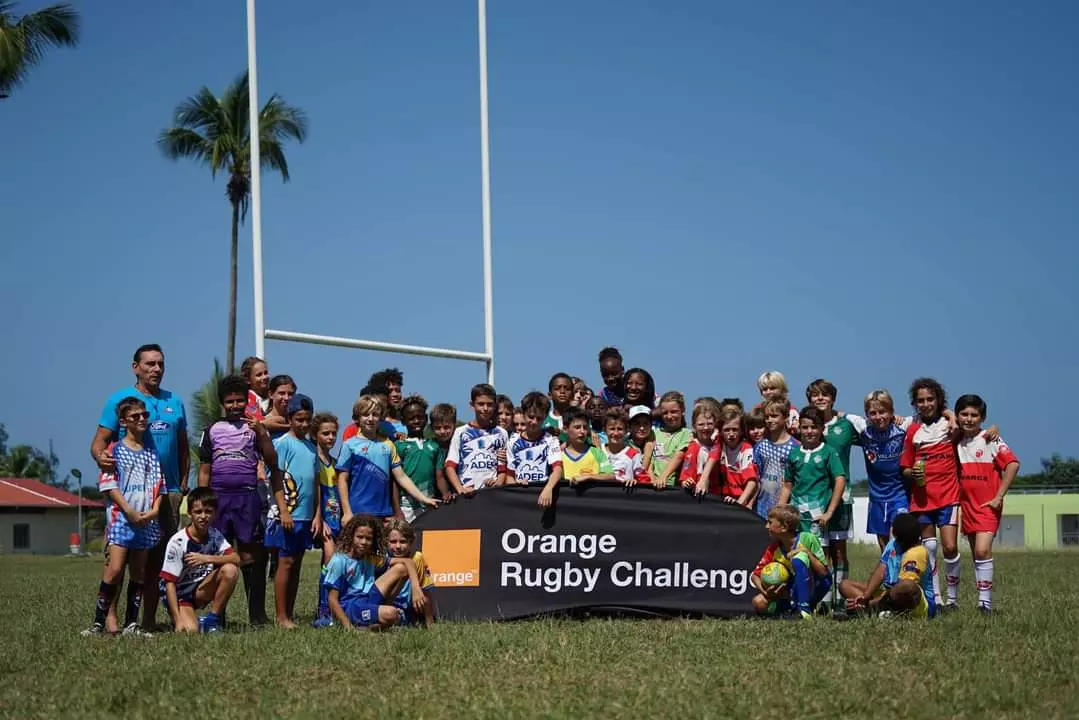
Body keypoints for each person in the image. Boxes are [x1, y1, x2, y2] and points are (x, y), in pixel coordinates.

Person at [91, 343, 188, 632]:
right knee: (118, 563)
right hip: (129, 497)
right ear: (136, 367)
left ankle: (145, 622)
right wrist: (101, 457)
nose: (156, 369)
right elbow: (99, 441)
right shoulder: (119, 400)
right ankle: (109, 620)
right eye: (149, 364)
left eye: (160, 363)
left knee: (157, 561)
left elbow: (183, 446)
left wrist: (182, 484)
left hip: (166, 494)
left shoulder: (175, 401)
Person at [197, 374, 279, 626]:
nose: (235, 405)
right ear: (222, 402)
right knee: (217, 554)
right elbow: (205, 468)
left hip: (247, 498)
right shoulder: (212, 430)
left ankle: (256, 614)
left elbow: (272, 460)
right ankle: (217, 615)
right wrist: (203, 500)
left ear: (246, 401)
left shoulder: (254, 428)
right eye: (230, 401)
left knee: (251, 555)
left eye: (239, 401)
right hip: (219, 499)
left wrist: (263, 433)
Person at [83, 397, 165, 636]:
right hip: (122, 519)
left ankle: (132, 623)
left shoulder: (151, 453)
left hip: (147, 521)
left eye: (144, 415)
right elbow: (109, 485)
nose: (141, 420)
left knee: (139, 572)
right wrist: (128, 510)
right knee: (115, 569)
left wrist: (155, 510)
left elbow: (159, 485)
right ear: (123, 421)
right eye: (135, 416)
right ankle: (98, 623)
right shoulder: (114, 451)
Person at [953, 394, 1019, 614]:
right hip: (968, 507)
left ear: (982, 418)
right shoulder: (957, 441)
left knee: (982, 550)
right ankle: (982, 602)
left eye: (974, 415)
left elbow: (1012, 464)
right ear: (957, 416)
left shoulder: (990, 439)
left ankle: (986, 605)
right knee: (976, 555)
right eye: (964, 414)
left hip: (988, 506)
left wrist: (999, 497)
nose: (969, 419)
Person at [900, 378, 960, 610]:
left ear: (938, 400)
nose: (925, 404)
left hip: (948, 496)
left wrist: (952, 415)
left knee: (950, 547)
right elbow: (904, 467)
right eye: (920, 400)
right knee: (930, 549)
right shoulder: (913, 430)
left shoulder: (950, 425)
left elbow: (974, 428)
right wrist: (912, 473)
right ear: (915, 404)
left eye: (930, 399)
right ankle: (936, 597)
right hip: (923, 499)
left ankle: (953, 599)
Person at [337, 395, 439, 524]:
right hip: (358, 511)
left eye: (375, 414)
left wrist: (423, 498)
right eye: (365, 414)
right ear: (357, 418)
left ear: (380, 418)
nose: (370, 418)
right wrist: (346, 512)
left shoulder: (388, 444)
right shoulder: (349, 445)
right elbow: (342, 480)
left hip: (384, 512)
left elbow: (401, 476)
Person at [266, 394, 322, 629]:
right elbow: (276, 480)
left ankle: (289, 612)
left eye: (307, 420)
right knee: (285, 563)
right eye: (299, 419)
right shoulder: (283, 444)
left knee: (297, 564)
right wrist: (283, 512)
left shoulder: (311, 446)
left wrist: (317, 514)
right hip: (287, 515)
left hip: (306, 516)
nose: (304, 424)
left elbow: (316, 482)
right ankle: (281, 616)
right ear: (289, 418)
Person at [159, 487, 241, 633]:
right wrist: (178, 620)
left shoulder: (214, 535)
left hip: (199, 589)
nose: (203, 516)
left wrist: (206, 558)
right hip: (179, 594)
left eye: (208, 511)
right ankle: (182, 619)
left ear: (215, 514)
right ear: (190, 513)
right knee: (190, 631)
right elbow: (169, 583)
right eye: (198, 512)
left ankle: (212, 620)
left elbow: (236, 558)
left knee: (231, 570)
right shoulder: (178, 542)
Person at [805, 379, 856, 609]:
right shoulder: (808, 425)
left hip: (842, 497)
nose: (820, 399)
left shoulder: (846, 424)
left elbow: (876, 430)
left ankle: (841, 597)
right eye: (815, 395)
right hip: (817, 499)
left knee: (839, 550)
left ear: (833, 398)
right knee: (821, 549)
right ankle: (825, 599)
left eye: (824, 395)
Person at [321, 515, 422, 630]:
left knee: (401, 568)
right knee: (392, 614)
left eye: (368, 539)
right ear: (350, 536)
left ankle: (378, 616)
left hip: (368, 599)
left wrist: (416, 588)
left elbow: (408, 562)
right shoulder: (339, 560)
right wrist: (348, 628)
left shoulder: (371, 558)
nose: (364, 542)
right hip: (350, 606)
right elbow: (332, 599)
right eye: (359, 537)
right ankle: (365, 625)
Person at [848, 390, 912, 549]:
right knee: (884, 547)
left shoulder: (903, 427)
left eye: (883, 412)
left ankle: (904, 573)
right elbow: (841, 415)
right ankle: (889, 574)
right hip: (877, 498)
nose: (878, 417)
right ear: (866, 415)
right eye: (873, 413)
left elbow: (928, 416)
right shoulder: (864, 430)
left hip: (900, 496)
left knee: (898, 540)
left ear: (892, 412)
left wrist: (950, 415)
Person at [839, 512, 935, 618]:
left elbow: (904, 587)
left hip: (916, 603)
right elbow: (880, 571)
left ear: (895, 533)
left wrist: (871, 603)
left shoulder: (917, 552)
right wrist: (865, 596)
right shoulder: (893, 544)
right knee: (845, 585)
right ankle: (876, 610)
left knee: (907, 587)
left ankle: (870, 609)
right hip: (887, 592)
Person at [778, 407, 847, 547]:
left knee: (819, 557)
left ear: (822, 429)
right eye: (805, 427)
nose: (809, 431)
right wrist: (779, 510)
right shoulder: (794, 454)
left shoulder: (828, 452)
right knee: (796, 553)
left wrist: (829, 513)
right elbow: (787, 485)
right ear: (800, 428)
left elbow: (840, 480)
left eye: (814, 427)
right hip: (796, 515)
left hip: (818, 516)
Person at [750, 505, 830, 619]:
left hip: (816, 584)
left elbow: (824, 574)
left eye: (770, 522)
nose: (766, 526)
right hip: (792, 588)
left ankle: (804, 610)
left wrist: (806, 552)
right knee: (758, 602)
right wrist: (767, 592)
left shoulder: (807, 538)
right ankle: (795, 609)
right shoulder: (774, 548)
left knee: (799, 558)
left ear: (784, 527)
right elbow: (755, 576)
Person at [444, 384, 509, 495]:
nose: (485, 408)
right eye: (481, 404)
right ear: (472, 405)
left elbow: (503, 467)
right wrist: (460, 489)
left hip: (492, 495)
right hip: (468, 495)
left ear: (495, 406)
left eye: (489, 404)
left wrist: (497, 484)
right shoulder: (460, 432)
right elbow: (450, 465)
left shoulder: (501, 433)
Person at [310, 412, 340, 626]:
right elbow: (315, 493)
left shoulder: (335, 461)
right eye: (326, 433)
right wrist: (321, 519)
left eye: (333, 434)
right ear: (315, 434)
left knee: (335, 562)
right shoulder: (313, 459)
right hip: (323, 519)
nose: (330, 438)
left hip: (338, 517)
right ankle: (324, 609)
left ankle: (334, 606)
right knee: (329, 562)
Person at [506, 392, 564, 501]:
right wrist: (515, 485)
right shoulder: (512, 442)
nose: (534, 422)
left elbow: (557, 470)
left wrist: (548, 489)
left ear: (545, 417)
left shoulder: (551, 440)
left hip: (543, 497)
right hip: (520, 497)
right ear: (523, 414)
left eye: (539, 418)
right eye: (531, 417)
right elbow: (509, 476)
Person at [697, 407, 759, 506]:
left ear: (742, 431)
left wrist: (741, 502)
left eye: (735, 430)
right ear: (721, 431)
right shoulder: (720, 443)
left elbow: (752, 481)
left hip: (740, 499)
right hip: (723, 498)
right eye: (726, 430)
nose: (731, 434)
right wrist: (703, 480)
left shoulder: (746, 449)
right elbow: (713, 457)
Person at [395, 395, 441, 523]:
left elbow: (439, 477)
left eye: (420, 417)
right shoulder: (398, 446)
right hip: (406, 507)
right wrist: (397, 510)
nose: (416, 421)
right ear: (403, 421)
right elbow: (394, 482)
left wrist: (446, 495)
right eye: (411, 418)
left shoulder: (434, 445)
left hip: (430, 504)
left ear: (426, 419)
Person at [752, 399, 799, 521]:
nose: (770, 420)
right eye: (767, 417)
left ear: (786, 417)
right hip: (761, 506)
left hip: (786, 508)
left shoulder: (796, 447)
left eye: (774, 416)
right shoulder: (760, 447)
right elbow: (756, 478)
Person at [386, 518, 436, 626]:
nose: (398, 546)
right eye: (393, 542)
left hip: (406, 609)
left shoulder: (417, 558)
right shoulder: (382, 558)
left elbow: (426, 593)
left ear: (411, 541)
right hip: (384, 606)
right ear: (386, 542)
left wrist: (430, 624)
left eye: (403, 541)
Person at [558, 408, 614, 494]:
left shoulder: (597, 452)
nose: (582, 431)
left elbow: (611, 476)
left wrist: (589, 477)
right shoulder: (558, 456)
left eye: (585, 427)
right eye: (577, 427)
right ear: (565, 429)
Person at [649, 391, 691, 489]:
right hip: (652, 484)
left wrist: (663, 477)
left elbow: (679, 456)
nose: (669, 416)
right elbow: (648, 458)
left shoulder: (686, 434)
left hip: (671, 487)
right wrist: (651, 479)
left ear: (682, 410)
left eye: (673, 412)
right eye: (665, 413)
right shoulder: (654, 433)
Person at [680, 403, 721, 495]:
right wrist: (687, 483)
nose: (705, 428)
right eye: (701, 424)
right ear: (694, 426)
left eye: (710, 424)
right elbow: (685, 477)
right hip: (700, 495)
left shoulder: (719, 444)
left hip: (718, 495)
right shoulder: (693, 447)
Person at [601, 407, 647, 487]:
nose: (616, 433)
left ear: (627, 430)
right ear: (604, 430)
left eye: (620, 429)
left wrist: (635, 481)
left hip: (624, 498)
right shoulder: (597, 451)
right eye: (612, 429)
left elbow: (644, 480)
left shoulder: (633, 454)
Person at [755, 370, 799, 435]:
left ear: (782, 389)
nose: (768, 392)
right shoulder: (757, 409)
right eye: (765, 389)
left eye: (772, 388)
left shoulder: (791, 410)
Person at [429, 403, 457, 498]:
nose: (442, 431)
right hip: (437, 495)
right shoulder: (431, 446)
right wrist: (446, 493)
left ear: (454, 425)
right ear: (431, 427)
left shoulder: (459, 444)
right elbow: (439, 476)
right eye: (437, 428)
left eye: (446, 427)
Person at [368, 368, 406, 437]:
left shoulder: (408, 421)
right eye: (390, 391)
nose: (395, 394)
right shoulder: (372, 422)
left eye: (398, 390)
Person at [627, 405, 656, 474]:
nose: (642, 428)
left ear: (651, 425)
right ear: (630, 426)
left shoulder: (657, 442)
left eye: (645, 423)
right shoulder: (624, 446)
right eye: (637, 424)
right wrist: (648, 454)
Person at [240, 356, 271, 420]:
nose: (264, 377)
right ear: (248, 380)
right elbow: (258, 422)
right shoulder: (247, 398)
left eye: (266, 373)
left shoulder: (274, 395)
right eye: (259, 375)